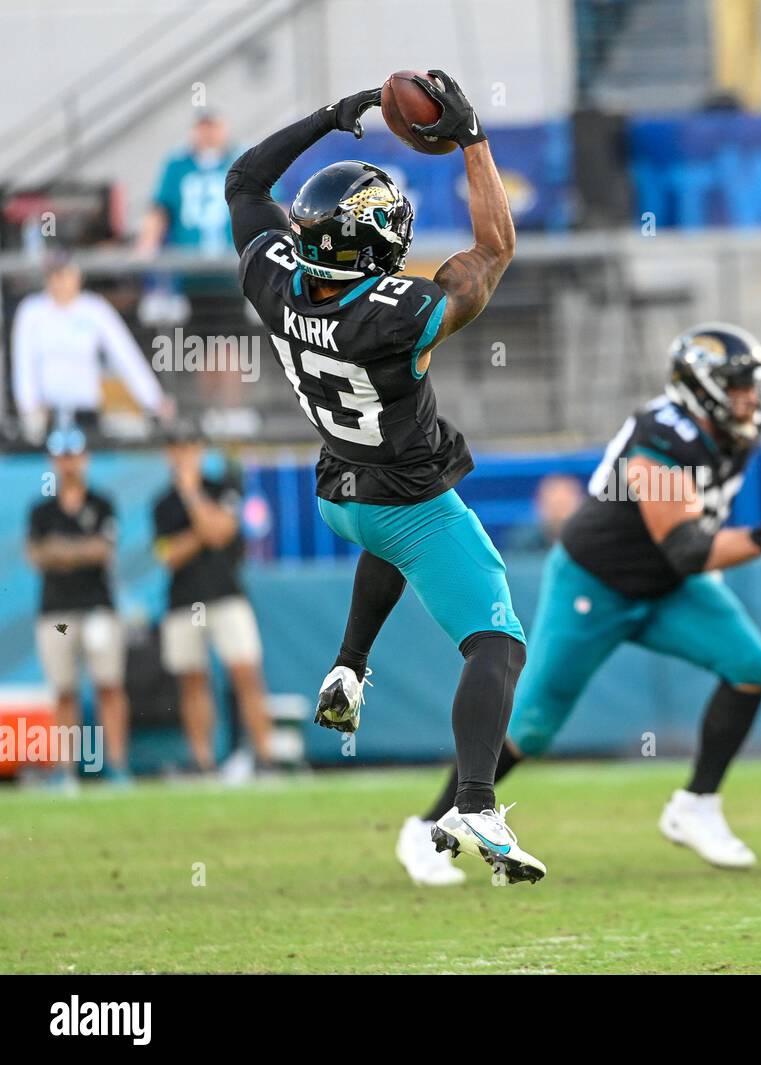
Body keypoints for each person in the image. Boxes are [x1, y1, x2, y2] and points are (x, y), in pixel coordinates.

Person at [226, 72, 545, 884]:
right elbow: (495, 251)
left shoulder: (271, 278)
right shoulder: (394, 315)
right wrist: (472, 139)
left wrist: (332, 118)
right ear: (373, 247)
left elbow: (245, 180)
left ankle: (348, 661)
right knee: (498, 641)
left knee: (389, 534)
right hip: (407, 500)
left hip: (338, 492)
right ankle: (474, 798)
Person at [395, 324, 761, 886]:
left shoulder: (735, 426)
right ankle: (427, 827)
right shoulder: (661, 437)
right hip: (596, 585)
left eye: (753, 384)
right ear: (701, 389)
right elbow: (685, 549)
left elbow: (692, 537)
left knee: (752, 666)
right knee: (531, 727)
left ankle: (696, 804)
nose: (751, 397)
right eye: (739, 384)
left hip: (668, 583)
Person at [153, 421, 272, 775]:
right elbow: (168, 555)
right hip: (184, 600)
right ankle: (202, 761)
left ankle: (266, 758)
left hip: (225, 594)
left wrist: (192, 498)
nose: (184, 455)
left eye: (190, 447)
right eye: (178, 448)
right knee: (192, 680)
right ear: (168, 454)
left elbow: (221, 534)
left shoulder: (222, 487)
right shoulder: (161, 504)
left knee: (246, 673)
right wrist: (202, 528)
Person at [25, 426, 130, 787]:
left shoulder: (101, 502)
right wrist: (79, 550)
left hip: (97, 607)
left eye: (73, 454)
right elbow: (37, 555)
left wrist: (61, 550)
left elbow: (102, 550)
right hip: (57, 613)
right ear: (55, 460)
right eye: (62, 455)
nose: (68, 463)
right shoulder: (42, 508)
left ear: (83, 458)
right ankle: (66, 769)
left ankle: (115, 762)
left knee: (109, 685)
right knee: (64, 689)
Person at [11, 253, 169, 442]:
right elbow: (23, 362)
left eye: (65, 275)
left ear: (77, 276)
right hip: (46, 414)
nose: (60, 282)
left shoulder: (94, 309)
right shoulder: (31, 311)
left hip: (87, 412)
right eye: (54, 275)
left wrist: (154, 399)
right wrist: (29, 407)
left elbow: (125, 354)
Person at [137, 111, 240, 257]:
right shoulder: (178, 165)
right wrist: (147, 244)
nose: (208, 134)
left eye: (212, 127)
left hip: (234, 257)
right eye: (202, 128)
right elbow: (160, 209)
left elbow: (268, 204)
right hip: (188, 258)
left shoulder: (241, 162)